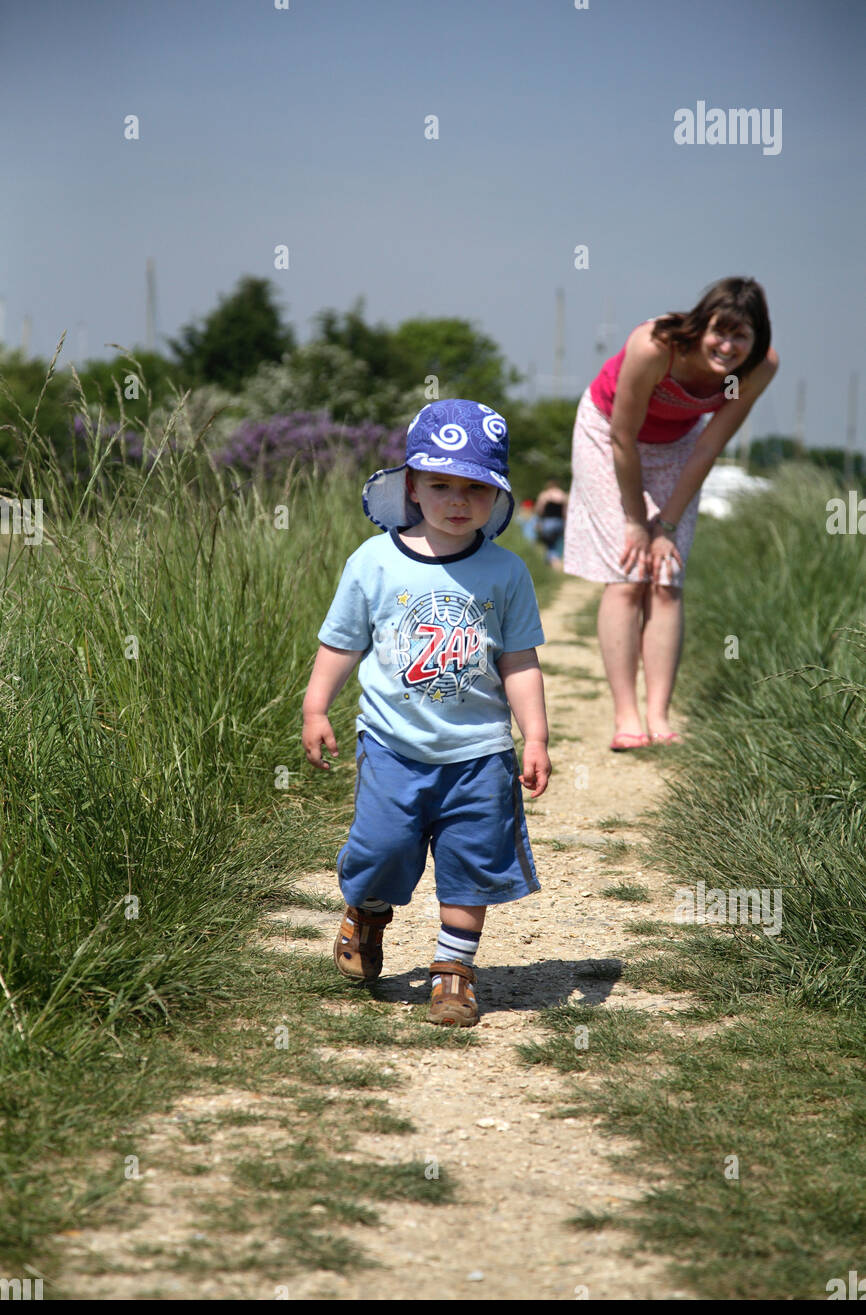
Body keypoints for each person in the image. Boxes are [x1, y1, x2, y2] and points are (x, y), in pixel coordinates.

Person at [301, 399, 551, 1027]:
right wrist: (316, 706)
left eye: (475, 487)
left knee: (472, 863)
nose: (457, 500)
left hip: (479, 753)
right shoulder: (374, 561)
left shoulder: (506, 572)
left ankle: (452, 972)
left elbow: (519, 661)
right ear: (411, 486)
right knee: (382, 847)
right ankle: (366, 911)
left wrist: (535, 735)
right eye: (440, 484)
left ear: (496, 496)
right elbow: (342, 642)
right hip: (392, 745)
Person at [562, 276, 779, 750]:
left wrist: (668, 525)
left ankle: (659, 715)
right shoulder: (654, 345)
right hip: (609, 436)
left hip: (679, 447)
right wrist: (638, 521)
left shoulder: (761, 367)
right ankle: (627, 717)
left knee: (666, 577)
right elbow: (623, 436)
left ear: (756, 338)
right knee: (627, 574)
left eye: (741, 335)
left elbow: (708, 446)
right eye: (720, 330)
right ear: (700, 325)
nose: (728, 345)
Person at [533, 480, 568, 568]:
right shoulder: (562, 495)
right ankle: (557, 560)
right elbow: (565, 512)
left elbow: (539, 510)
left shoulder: (545, 495)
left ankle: (554, 562)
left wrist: (538, 521)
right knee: (558, 542)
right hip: (560, 522)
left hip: (548, 522)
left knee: (549, 543)